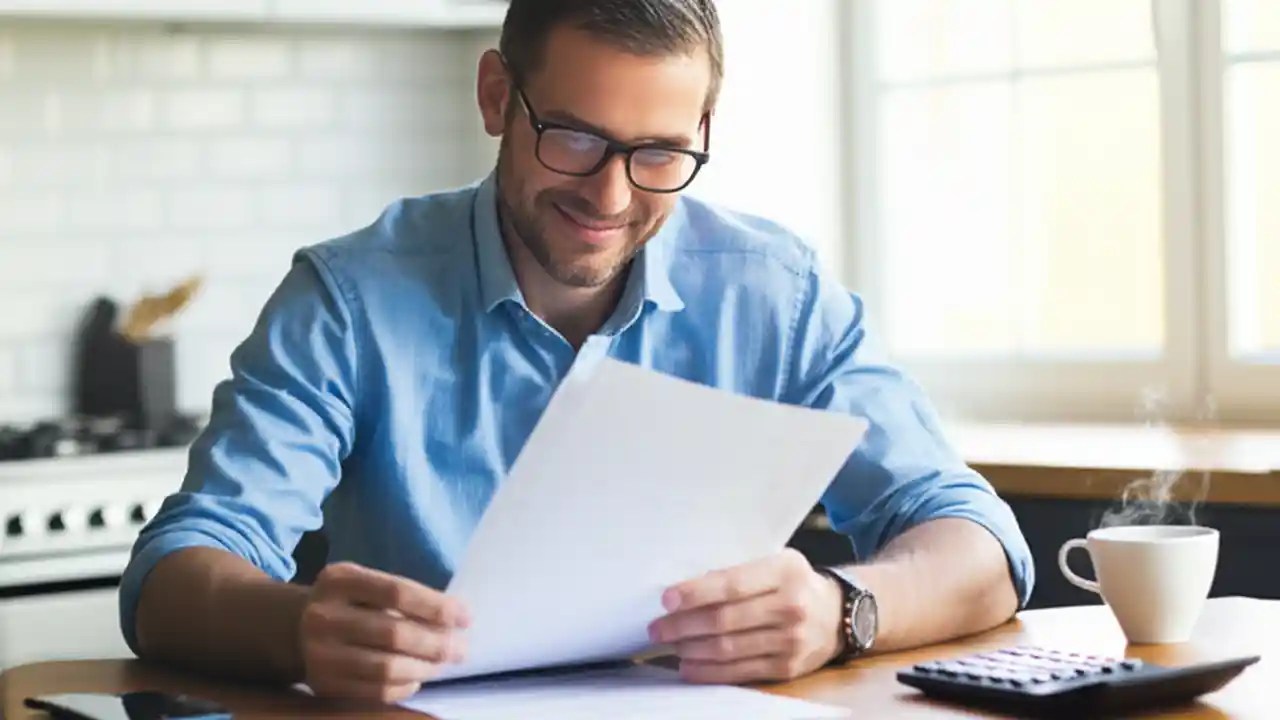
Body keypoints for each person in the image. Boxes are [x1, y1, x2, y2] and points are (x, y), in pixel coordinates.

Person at [121, 0, 1034, 702]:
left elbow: (979, 542)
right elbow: (174, 573)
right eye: (575, 139)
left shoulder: (775, 292)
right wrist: (298, 629)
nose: (610, 194)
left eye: (660, 153)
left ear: (705, 134)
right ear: (494, 98)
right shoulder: (350, 300)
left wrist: (845, 612)